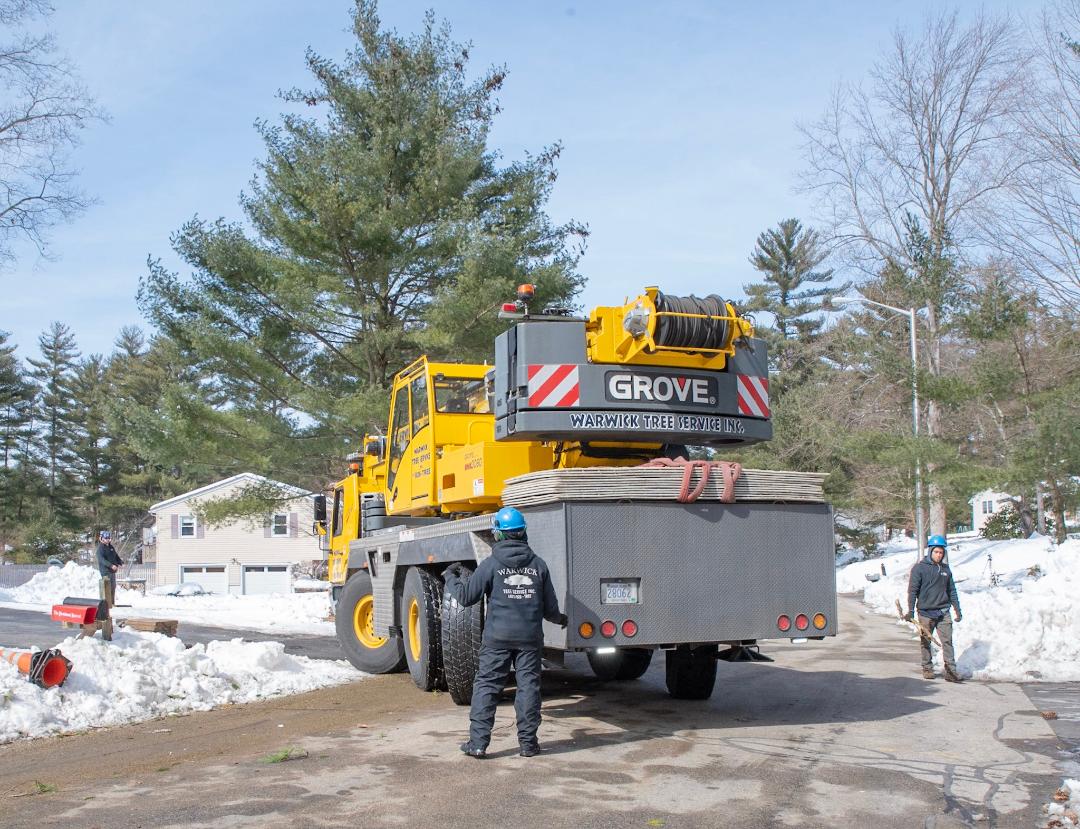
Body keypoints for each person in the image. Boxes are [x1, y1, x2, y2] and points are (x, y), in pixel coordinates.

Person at [443, 506, 567, 759]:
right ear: (523, 533)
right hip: (529, 641)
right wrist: (563, 619)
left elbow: (466, 597)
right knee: (528, 688)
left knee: (487, 687)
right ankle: (528, 745)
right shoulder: (538, 566)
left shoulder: (491, 565)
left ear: (498, 534)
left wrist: (451, 578)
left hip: (497, 640)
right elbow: (550, 610)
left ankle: (478, 744)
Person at [904, 534, 963, 682]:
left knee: (947, 642)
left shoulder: (946, 569)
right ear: (930, 551)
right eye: (936, 552)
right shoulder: (919, 569)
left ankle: (951, 670)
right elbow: (912, 591)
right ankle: (927, 667)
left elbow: (952, 591)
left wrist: (957, 609)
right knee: (925, 641)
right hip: (925, 613)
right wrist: (910, 610)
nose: (939, 555)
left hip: (943, 612)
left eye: (941, 552)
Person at [96, 530, 123, 609]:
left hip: (112, 571)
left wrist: (120, 562)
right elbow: (102, 560)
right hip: (106, 572)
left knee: (113, 587)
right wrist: (111, 565)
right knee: (107, 588)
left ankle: (112, 603)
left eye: (108, 538)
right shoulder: (101, 548)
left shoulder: (111, 547)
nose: (107, 539)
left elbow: (115, 556)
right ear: (102, 538)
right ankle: (106, 605)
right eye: (106, 538)